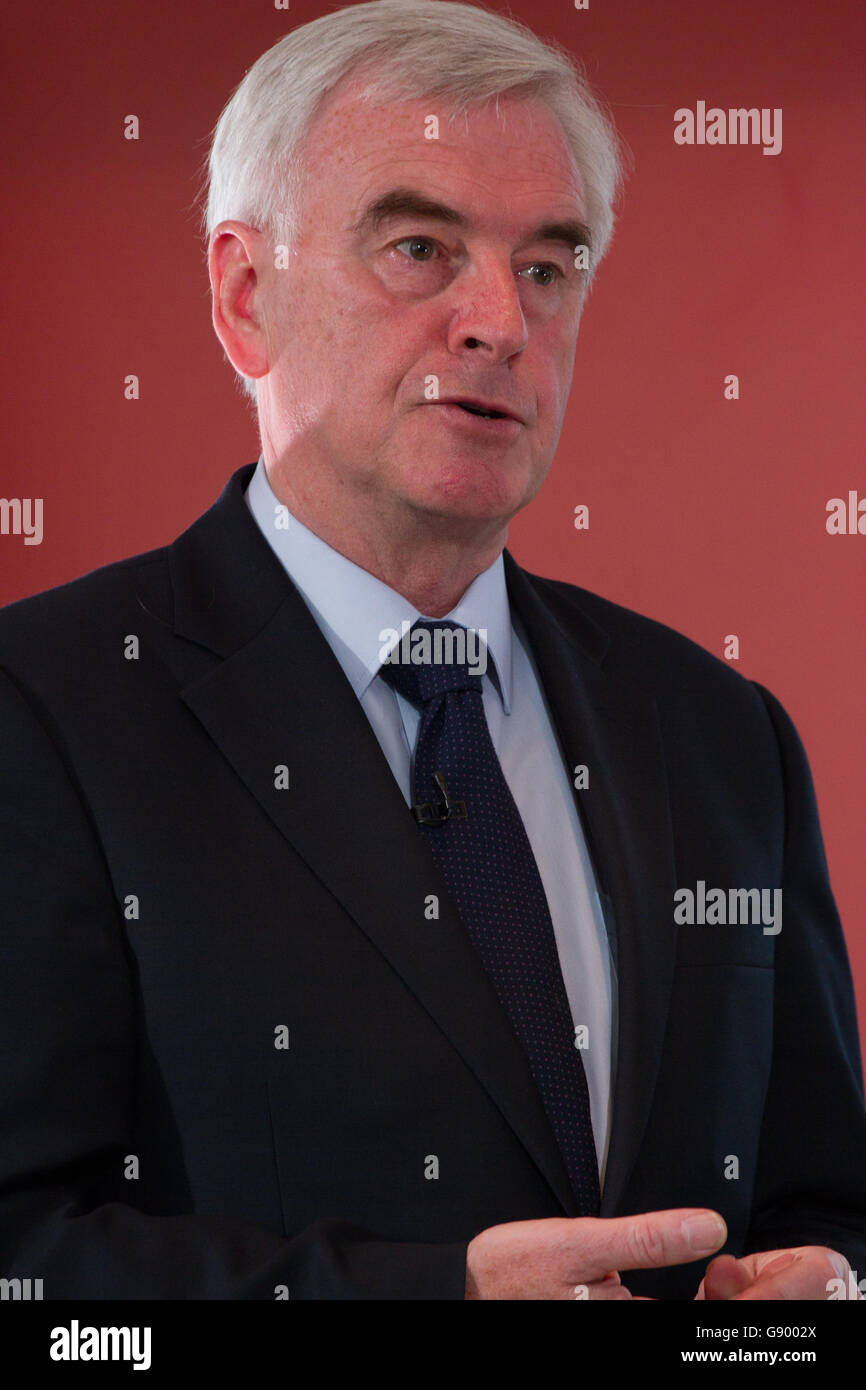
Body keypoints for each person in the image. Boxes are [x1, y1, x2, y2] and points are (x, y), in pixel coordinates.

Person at [0, 0, 864, 1302]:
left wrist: (824, 1295)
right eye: (419, 246)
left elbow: (825, 1202)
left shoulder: (716, 732)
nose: (497, 323)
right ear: (245, 297)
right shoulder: (45, 710)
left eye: (546, 266)